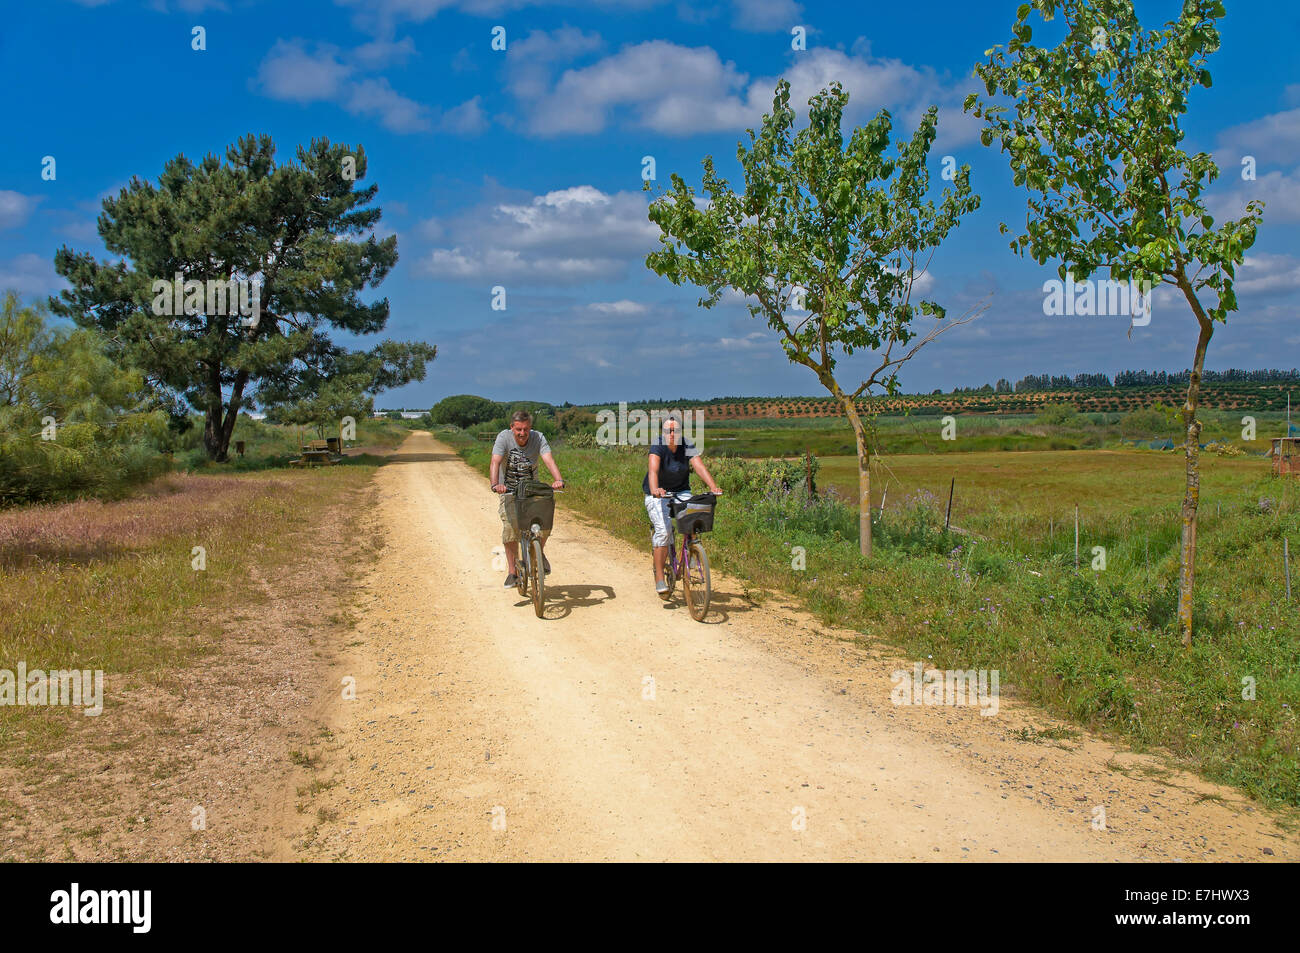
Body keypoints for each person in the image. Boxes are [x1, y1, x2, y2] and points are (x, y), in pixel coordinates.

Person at [645, 415, 721, 595]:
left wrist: (713, 487)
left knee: (694, 517)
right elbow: (653, 470)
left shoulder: (687, 445)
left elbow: (699, 467)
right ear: (663, 433)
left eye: (676, 430)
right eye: (668, 431)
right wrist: (656, 489)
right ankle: (660, 579)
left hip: (680, 491)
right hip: (658, 494)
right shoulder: (658, 446)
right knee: (664, 532)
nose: (672, 434)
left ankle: (693, 551)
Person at [490, 410, 565, 588]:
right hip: (508, 490)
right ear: (512, 428)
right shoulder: (503, 438)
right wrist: (495, 484)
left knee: (543, 524)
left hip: (531, 490)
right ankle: (512, 572)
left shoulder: (538, 438)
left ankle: (538, 553)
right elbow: (495, 461)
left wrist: (558, 480)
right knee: (510, 530)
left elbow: (548, 459)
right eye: (518, 430)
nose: (522, 433)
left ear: (530, 428)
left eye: (526, 429)